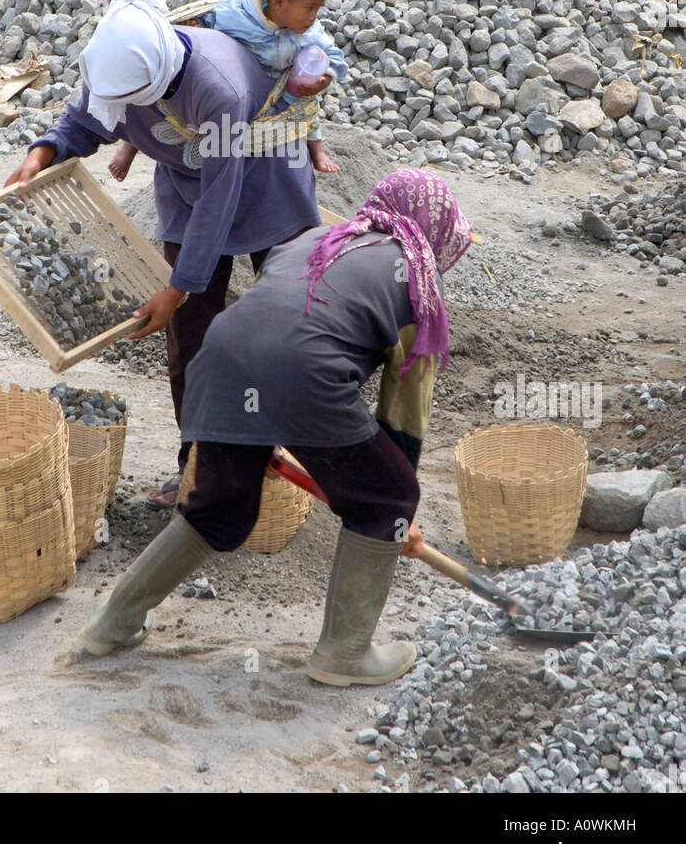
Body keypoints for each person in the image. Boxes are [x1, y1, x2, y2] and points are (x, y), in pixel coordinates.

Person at [77, 170, 474, 687]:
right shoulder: (418, 282)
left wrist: (254, 429)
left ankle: (112, 624)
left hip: (218, 363)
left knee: (218, 510)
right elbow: (404, 407)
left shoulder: (318, 237)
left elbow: (275, 321)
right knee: (387, 495)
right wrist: (393, 504)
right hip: (299, 375)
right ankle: (345, 654)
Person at [4, 0, 322, 508]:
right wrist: (42, 153)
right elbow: (83, 120)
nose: (120, 109)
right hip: (186, 177)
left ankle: (298, 458)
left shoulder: (216, 89)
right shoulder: (118, 67)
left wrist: (174, 290)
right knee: (190, 342)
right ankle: (196, 465)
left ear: (154, 87)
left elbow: (220, 202)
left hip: (266, 183)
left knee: (293, 325)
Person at [108, 0, 348, 183]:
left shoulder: (309, 32)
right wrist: (197, 28)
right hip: (227, 81)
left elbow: (333, 55)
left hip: (271, 88)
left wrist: (324, 78)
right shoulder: (238, 14)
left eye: (318, 8)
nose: (314, 16)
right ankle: (131, 146)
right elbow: (207, 24)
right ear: (279, 1)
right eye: (309, 7)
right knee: (165, 92)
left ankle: (316, 149)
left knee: (307, 105)